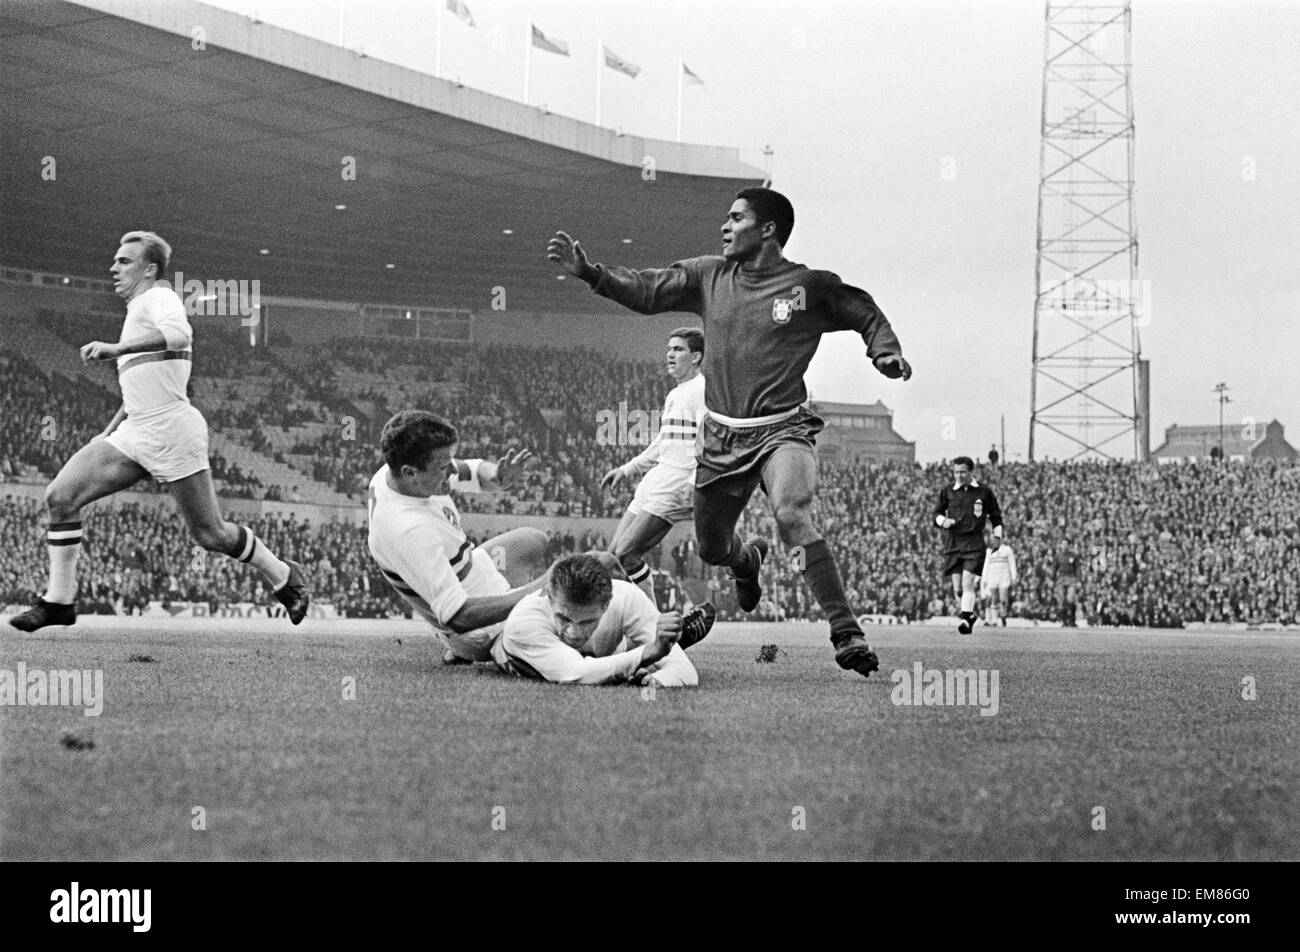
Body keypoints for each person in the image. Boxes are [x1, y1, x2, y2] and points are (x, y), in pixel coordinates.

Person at [548, 187, 912, 678]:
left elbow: (863, 309)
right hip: (721, 439)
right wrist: (593, 274)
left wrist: (883, 350)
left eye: (736, 218)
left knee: (791, 513)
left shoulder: (808, 287)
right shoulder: (709, 276)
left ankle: (845, 629)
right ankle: (746, 563)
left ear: (767, 230)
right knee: (711, 549)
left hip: (783, 428)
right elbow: (650, 289)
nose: (725, 226)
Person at [8, 231, 309, 631]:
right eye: (116, 260)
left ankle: (284, 576)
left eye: (124, 261)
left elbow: (182, 334)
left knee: (211, 534)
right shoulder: (137, 310)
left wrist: (116, 348)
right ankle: (58, 603)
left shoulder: (159, 296)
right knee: (60, 497)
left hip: (171, 427)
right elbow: (140, 388)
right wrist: (107, 433)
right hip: (136, 428)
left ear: (149, 269)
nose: (114, 268)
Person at [366, 410, 551, 663]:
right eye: (443, 466)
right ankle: (495, 642)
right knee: (567, 615)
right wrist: (537, 589)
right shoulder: (409, 530)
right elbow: (459, 617)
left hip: (474, 569)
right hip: (472, 629)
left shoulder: (398, 475)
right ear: (410, 473)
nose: (451, 469)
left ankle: (519, 608)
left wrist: (496, 476)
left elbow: (471, 470)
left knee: (533, 540)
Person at [491, 552, 715, 687]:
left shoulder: (625, 597)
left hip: (608, 651)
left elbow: (685, 670)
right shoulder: (524, 623)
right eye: (564, 618)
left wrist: (656, 681)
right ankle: (667, 640)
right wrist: (651, 652)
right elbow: (576, 673)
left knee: (644, 650)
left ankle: (663, 641)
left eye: (587, 621)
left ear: (606, 604)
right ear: (549, 598)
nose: (573, 633)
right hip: (519, 650)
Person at [601, 328, 707, 603]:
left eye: (678, 349)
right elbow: (664, 441)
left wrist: (693, 484)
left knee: (626, 554)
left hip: (678, 480)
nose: (670, 354)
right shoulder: (675, 394)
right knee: (613, 556)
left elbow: (711, 442)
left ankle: (653, 623)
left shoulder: (702, 391)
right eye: (669, 349)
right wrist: (628, 469)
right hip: (657, 475)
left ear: (696, 357)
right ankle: (620, 628)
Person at [933, 456, 1003, 634]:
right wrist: (943, 521)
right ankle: (970, 616)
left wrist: (997, 535)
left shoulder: (984, 492)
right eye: (956, 472)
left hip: (974, 542)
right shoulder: (948, 491)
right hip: (953, 542)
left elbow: (996, 516)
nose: (959, 475)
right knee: (958, 590)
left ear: (971, 472)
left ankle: (965, 620)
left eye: (962, 472)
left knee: (967, 582)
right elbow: (936, 513)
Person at [980, 532, 1018, 626]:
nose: (995, 541)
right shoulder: (989, 551)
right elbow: (986, 566)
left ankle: (1003, 615)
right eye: (994, 539)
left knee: (1003, 599)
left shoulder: (1007, 550)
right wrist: (984, 579)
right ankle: (994, 620)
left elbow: (1012, 563)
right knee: (993, 598)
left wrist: (1014, 577)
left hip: (1004, 578)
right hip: (992, 577)